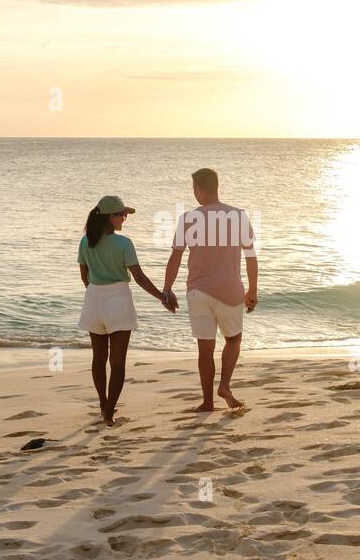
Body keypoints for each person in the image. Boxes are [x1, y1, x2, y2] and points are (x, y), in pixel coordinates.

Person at [162, 167, 258, 412]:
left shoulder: (188, 219)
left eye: (194, 189)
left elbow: (176, 257)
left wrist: (167, 288)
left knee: (205, 349)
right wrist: (253, 291)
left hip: (198, 290)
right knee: (233, 340)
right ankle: (224, 385)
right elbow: (250, 257)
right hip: (230, 289)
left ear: (199, 190)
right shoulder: (239, 216)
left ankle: (207, 402)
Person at [78, 195, 177, 426]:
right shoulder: (124, 244)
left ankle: (103, 402)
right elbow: (139, 277)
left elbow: (84, 276)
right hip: (118, 300)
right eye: (122, 215)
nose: (124, 219)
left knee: (98, 358)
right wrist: (162, 297)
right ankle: (109, 412)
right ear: (110, 218)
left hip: (93, 299)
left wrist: (95, 293)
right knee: (118, 362)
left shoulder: (86, 241)